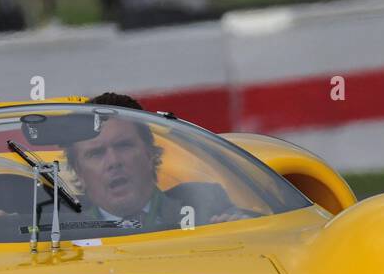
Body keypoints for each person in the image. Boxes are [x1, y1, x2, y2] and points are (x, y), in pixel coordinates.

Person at [63, 92, 251, 231]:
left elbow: (262, 226)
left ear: (150, 153)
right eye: (96, 153)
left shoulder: (205, 203)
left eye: (124, 146)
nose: (113, 161)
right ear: (78, 171)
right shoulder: (58, 228)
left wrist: (239, 228)